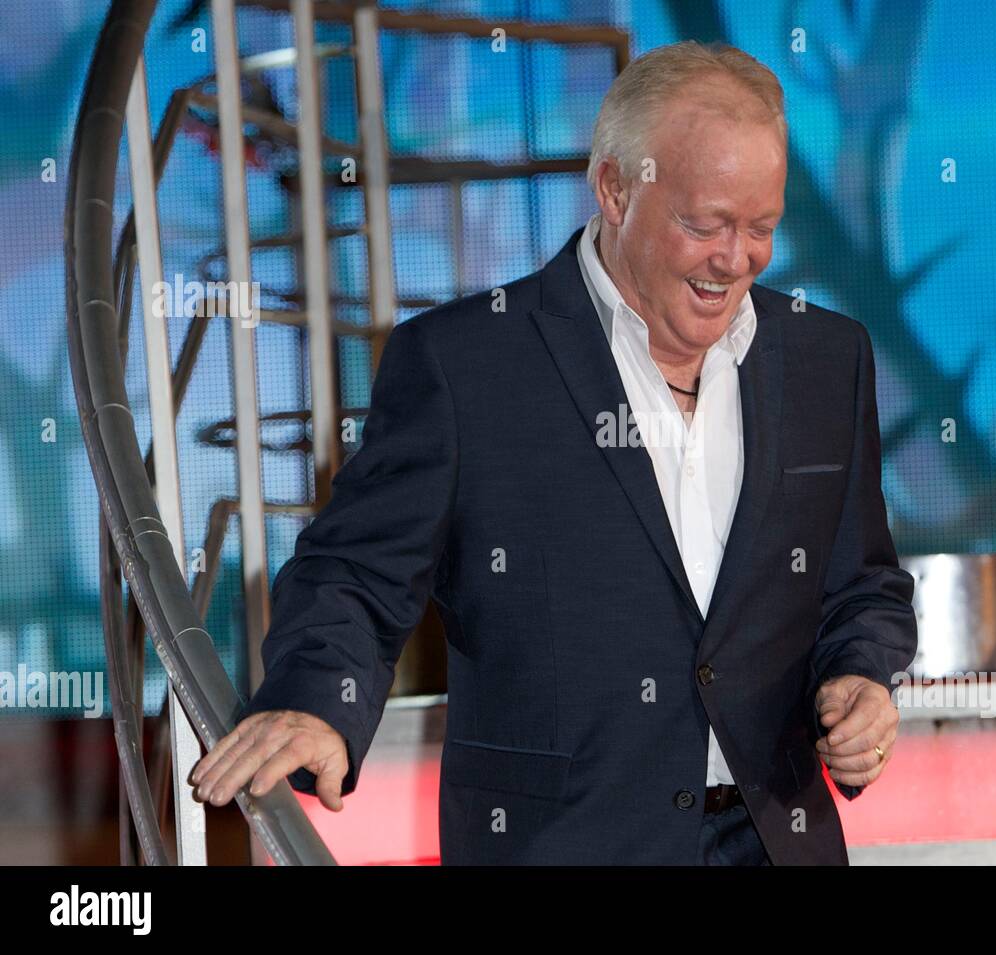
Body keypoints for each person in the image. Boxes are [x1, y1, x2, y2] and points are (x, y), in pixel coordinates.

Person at [191, 39, 917, 866]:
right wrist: (318, 702)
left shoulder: (829, 357)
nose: (735, 258)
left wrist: (859, 674)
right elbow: (355, 571)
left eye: (761, 227)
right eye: (704, 223)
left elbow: (861, 584)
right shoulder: (466, 364)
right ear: (614, 189)